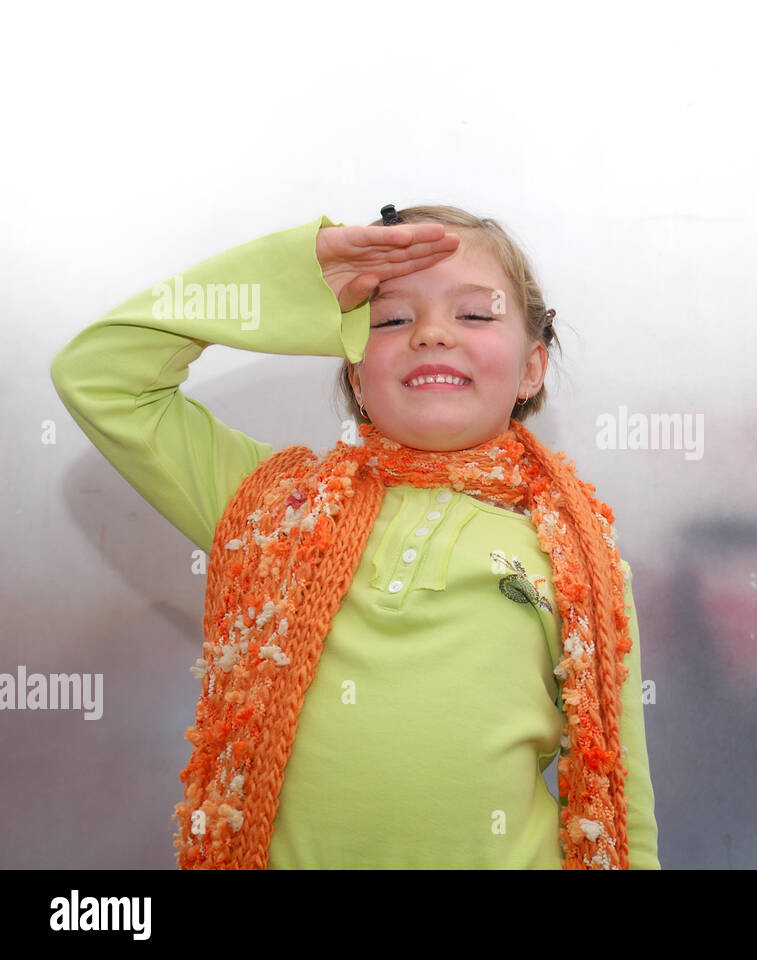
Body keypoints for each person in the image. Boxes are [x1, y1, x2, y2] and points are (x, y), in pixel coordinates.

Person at [49, 203, 659, 870]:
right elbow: (101, 376)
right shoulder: (274, 509)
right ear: (356, 377)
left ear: (531, 369)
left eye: (474, 314)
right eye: (391, 319)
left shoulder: (577, 561)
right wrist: (298, 278)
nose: (432, 333)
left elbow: (622, 801)